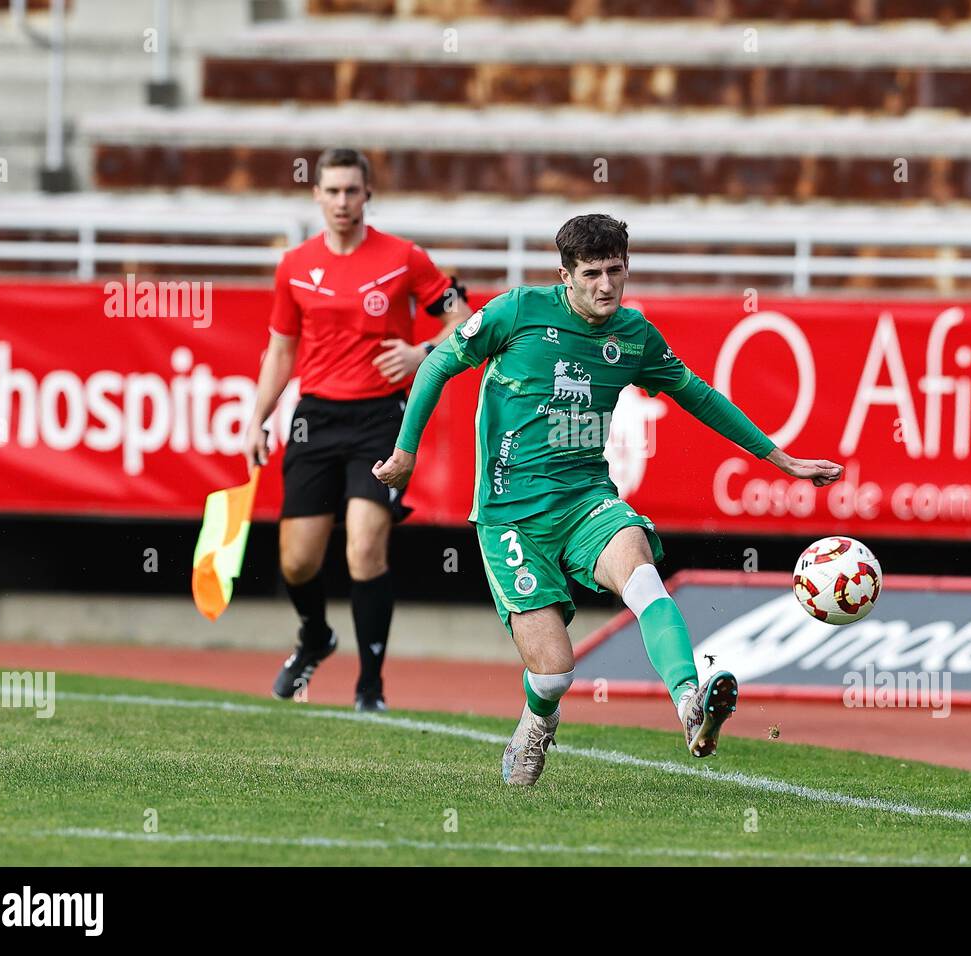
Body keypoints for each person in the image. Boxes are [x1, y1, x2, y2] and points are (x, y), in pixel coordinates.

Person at [373, 213, 843, 785]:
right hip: (510, 516)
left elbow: (700, 397)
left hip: (587, 499)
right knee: (554, 673)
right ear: (565, 275)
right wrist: (405, 453)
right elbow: (439, 364)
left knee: (642, 573)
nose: (605, 286)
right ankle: (534, 728)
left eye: (615, 271)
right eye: (591, 273)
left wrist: (781, 460)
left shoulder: (635, 335)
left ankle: (691, 704)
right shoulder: (516, 311)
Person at [243, 147, 472, 711]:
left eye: (352, 190)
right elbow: (280, 348)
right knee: (297, 560)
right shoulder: (294, 265)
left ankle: (370, 686)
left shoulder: (403, 258)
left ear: (368, 195)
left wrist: (422, 352)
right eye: (333, 191)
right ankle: (316, 636)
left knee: (365, 549)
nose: (343, 201)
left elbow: (463, 317)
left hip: (380, 419)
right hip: (315, 419)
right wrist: (258, 417)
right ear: (316, 196)